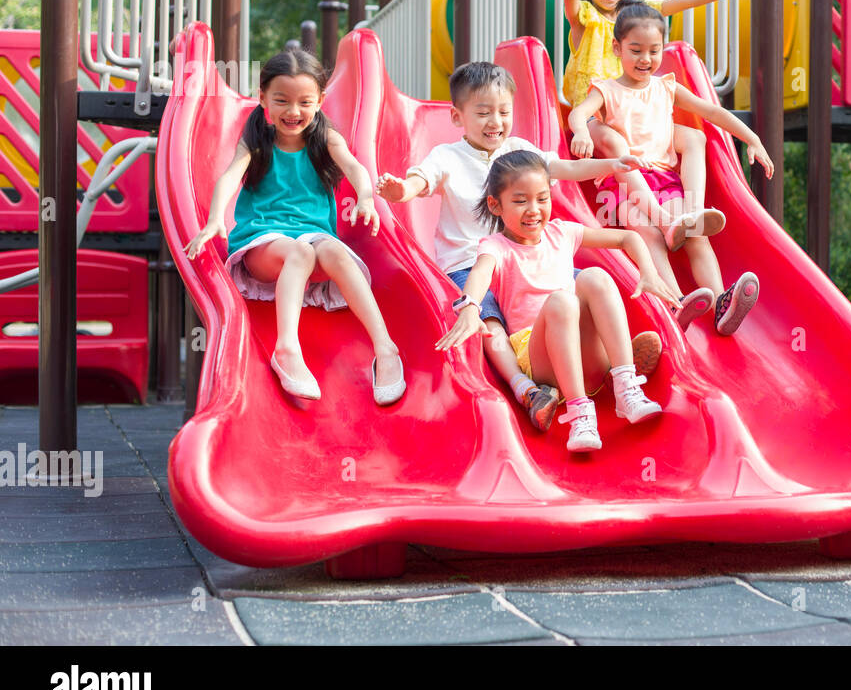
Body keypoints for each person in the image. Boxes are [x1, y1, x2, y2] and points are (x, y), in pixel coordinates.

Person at [376, 62, 677, 432]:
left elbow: (563, 169)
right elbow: (419, 182)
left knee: (588, 285)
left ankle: (616, 365)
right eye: (483, 113)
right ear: (457, 116)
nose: (495, 122)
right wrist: (400, 192)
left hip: (529, 253)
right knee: (489, 322)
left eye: (503, 112)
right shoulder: (446, 156)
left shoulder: (517, 150)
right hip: (471, 262)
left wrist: (613, 164)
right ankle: (527, 388)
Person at [184, 48, 405, 405]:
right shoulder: (256, 141)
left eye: (304, 101)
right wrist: (213, 220)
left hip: (313, 239)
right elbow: (228, 177)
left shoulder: (324, 139)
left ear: (319, 100)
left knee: (333, 249)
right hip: (263, 243)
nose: (293, 111)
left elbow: (354, 167)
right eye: (282, 100)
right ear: (263, 99)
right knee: (300, 251)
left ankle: (385, 347)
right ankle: (286, 349)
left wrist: (366, 196)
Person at [437, 150, 678, 453]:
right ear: (495, 205)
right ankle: (580, 414)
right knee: (563, 301)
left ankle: (626, 387)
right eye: (520, 200)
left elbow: (627, 239)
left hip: (584, 358)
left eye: (542, 198)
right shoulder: (496, 246)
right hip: (543, 365)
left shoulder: (562, 232)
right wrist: (471, 305)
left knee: (595, 277)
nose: (534, 209)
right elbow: (481, 272)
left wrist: (649, 273)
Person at [569, 0, 773, 336]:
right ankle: (675, 303)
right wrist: (580, 131)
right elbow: (579, 113)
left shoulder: (666, 87)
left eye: (654, 50)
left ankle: (722, 303)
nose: (646, 59)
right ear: (617, 48)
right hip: (624, 183)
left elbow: (713, 113)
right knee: (649, 235)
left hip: (664, 179)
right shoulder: (608, 89)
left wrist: (753, 139)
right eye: (636, 50)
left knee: (695, 236)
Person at [561, 0, 771, 245]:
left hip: (637, 117)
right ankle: (664, 219)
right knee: (617, 144)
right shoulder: (584, 18)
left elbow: (685, 0)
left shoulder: (637, 13)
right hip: (596, 118)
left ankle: (691, 213)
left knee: (693, 137)